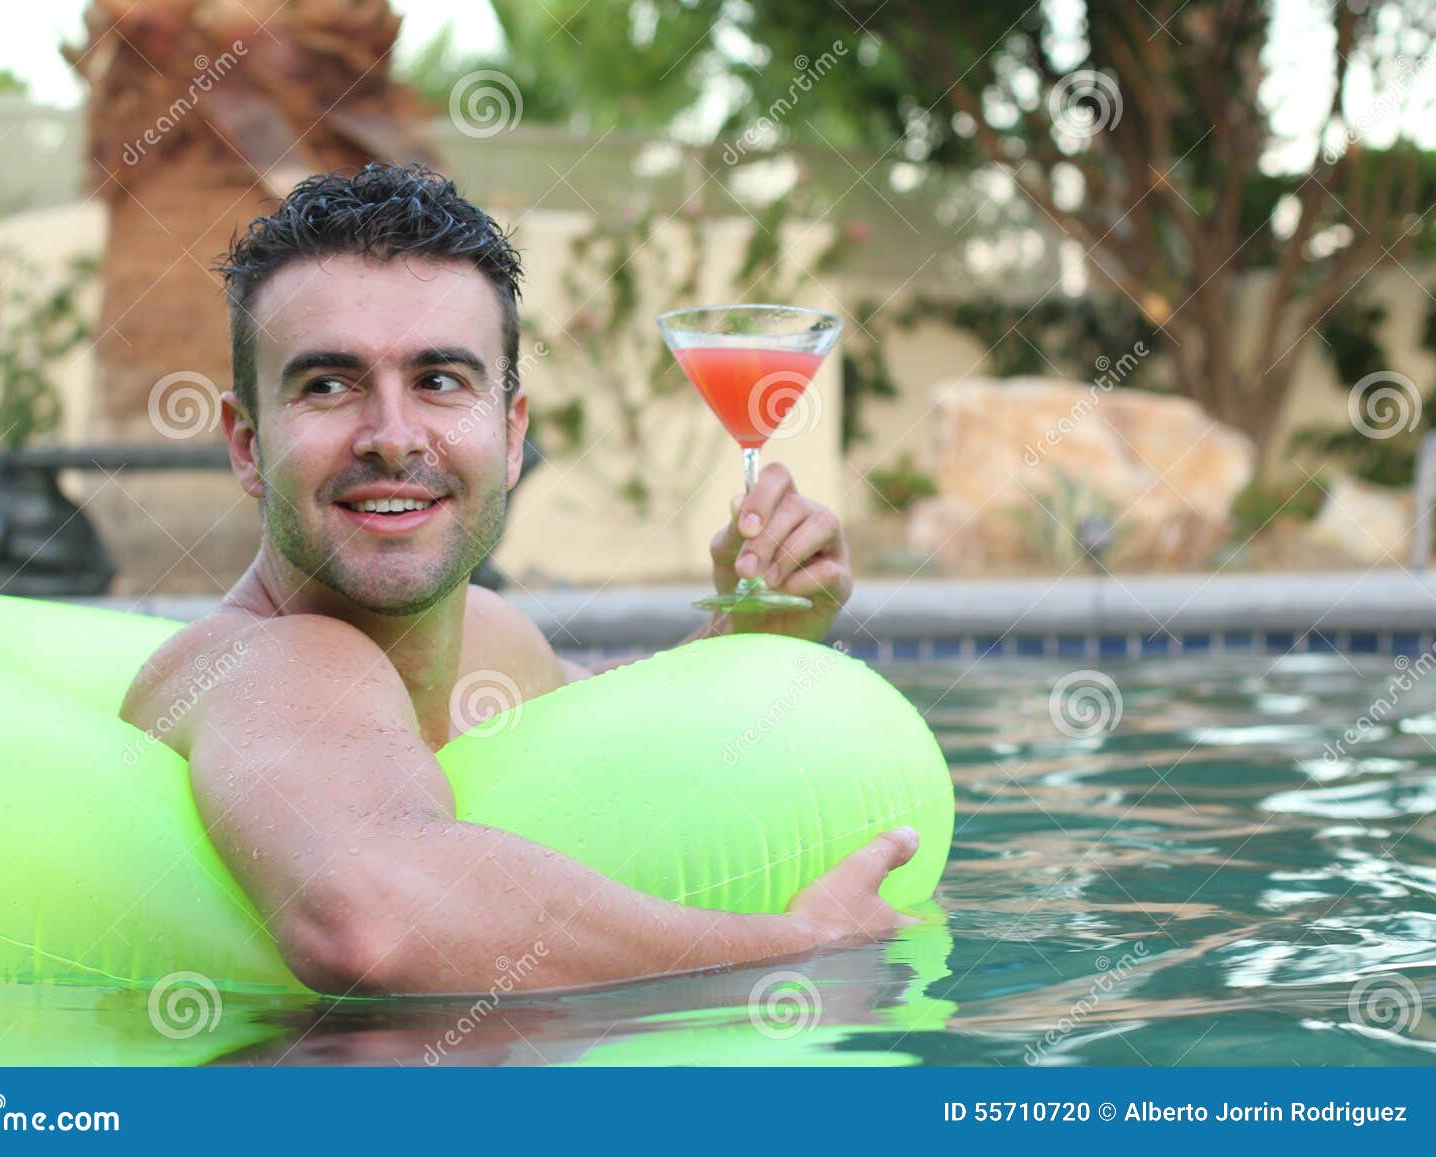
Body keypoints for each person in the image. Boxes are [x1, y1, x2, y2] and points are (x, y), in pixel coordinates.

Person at [120, 163, 920, 996]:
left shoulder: (495, 639)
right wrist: (805, 945)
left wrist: (752, 631)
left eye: (439, 381)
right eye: (328, 384)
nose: (392, 436)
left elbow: (621, 742)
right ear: (247, 444)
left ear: (510, 433)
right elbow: (373, 920)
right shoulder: (266, 663)